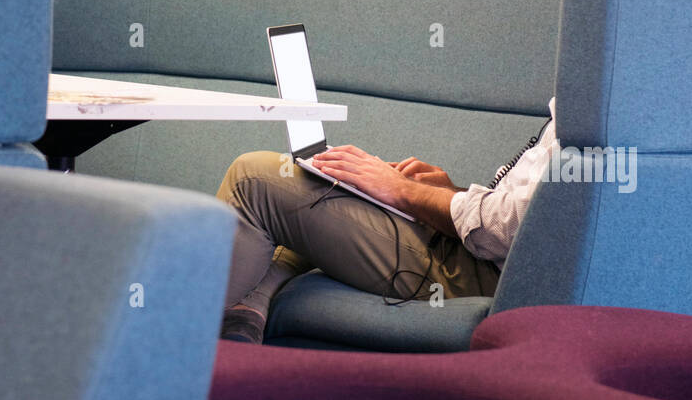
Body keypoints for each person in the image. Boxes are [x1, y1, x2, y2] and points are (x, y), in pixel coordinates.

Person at [218, 99, 557, 343]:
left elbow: (512, 230)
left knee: (252, 179)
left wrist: (404, 191)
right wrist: (452, 192)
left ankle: (180, 346)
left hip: (487, 272)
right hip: (479, 253)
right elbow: (527, 211)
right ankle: (244, 311)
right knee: (330, 185)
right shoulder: (591, 100)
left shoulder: (592, 110)